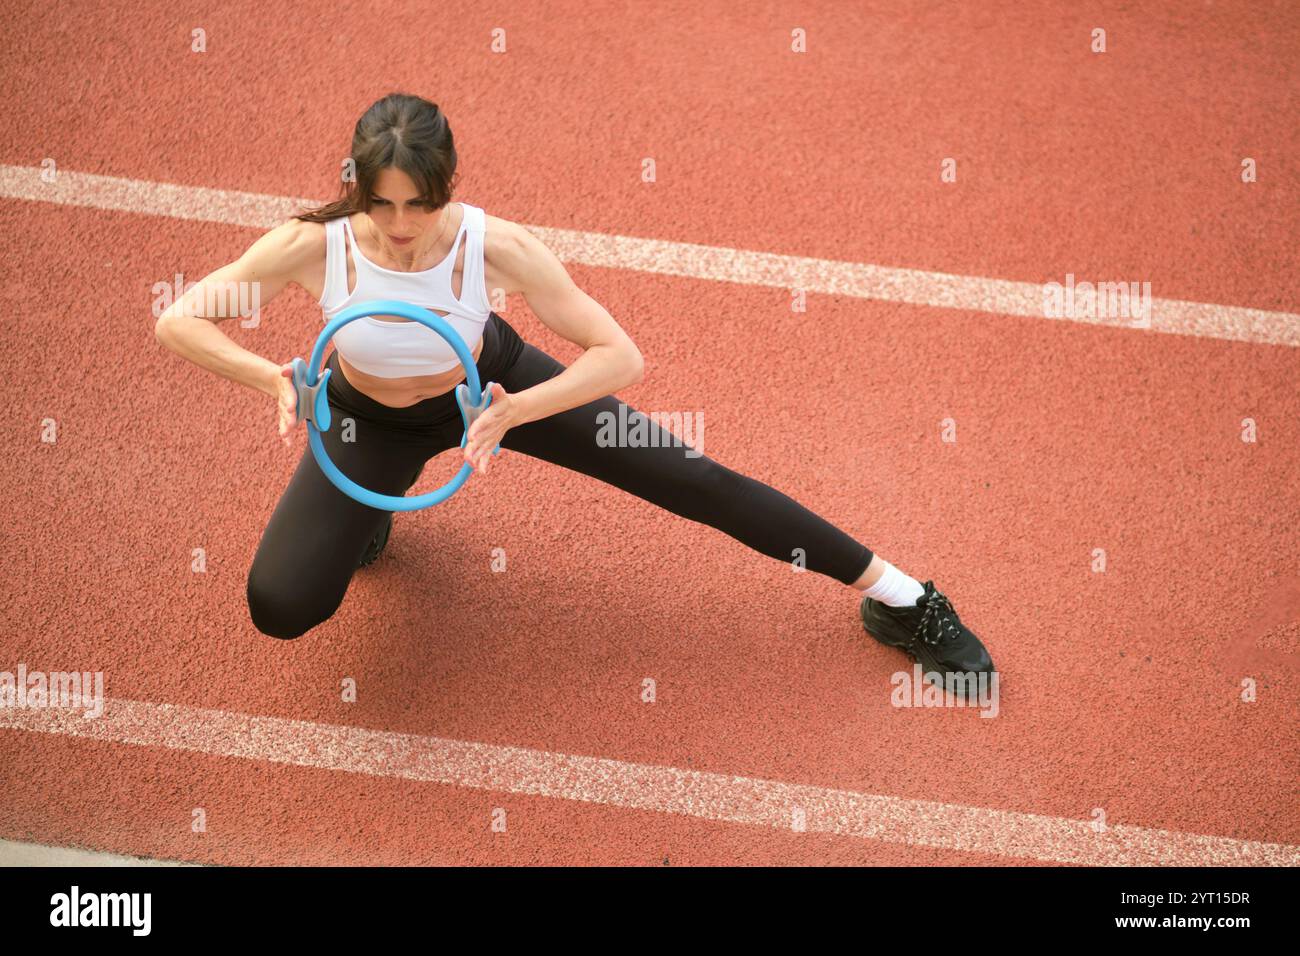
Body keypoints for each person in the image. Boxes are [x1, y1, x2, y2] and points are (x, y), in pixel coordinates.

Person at [153, 92, 994, 691]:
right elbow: (180, 321)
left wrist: (517, 409)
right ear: (356, 187)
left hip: (492, 389)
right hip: (365, 419)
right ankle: (371, 509)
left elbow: (617, 356)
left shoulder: (497, 247)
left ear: (449, 185)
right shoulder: (312, 247)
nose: (402, 226)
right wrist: (272, 379)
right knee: (281, 605)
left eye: (421, 203)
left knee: (688, 476)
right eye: (382, 204)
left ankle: (902, 597)